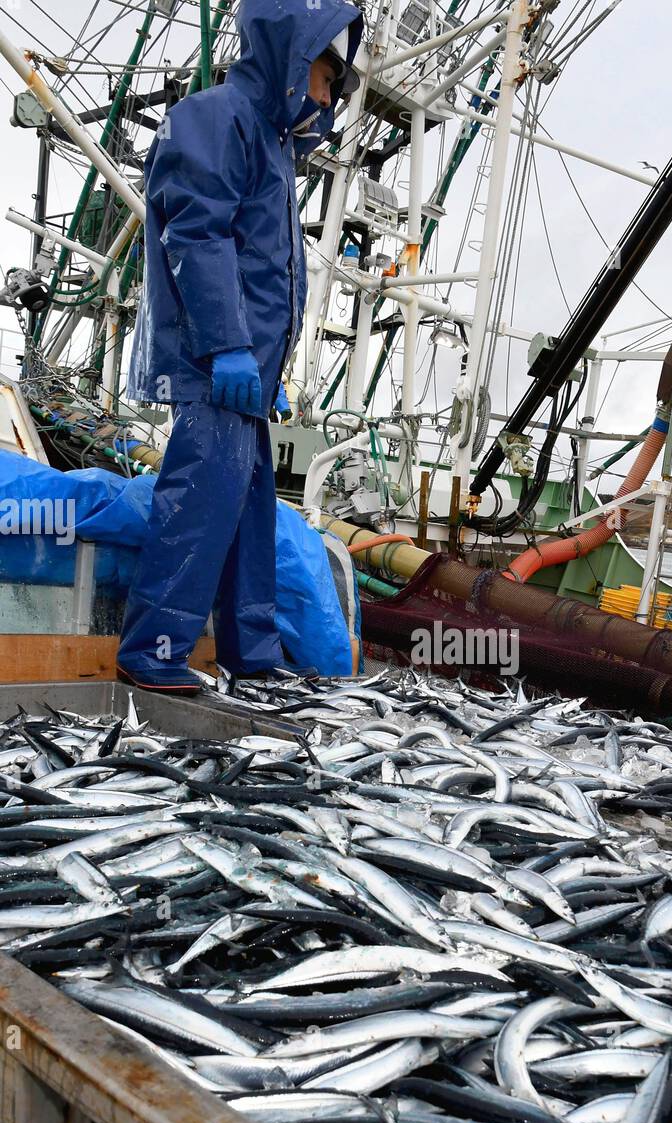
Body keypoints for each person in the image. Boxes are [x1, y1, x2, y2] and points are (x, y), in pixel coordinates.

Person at [117, 0, 362, 695]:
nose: (326, 97)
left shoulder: (274, 147)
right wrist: (227, 347)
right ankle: (153, 651)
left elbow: (263, 267)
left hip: (246, 372)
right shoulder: (218, 117)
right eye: (322, 77)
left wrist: (266, 367)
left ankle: (251, 654)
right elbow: (197, 234)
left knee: (248, 509)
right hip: (211, 365)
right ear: (289, 59)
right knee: (203, 496)